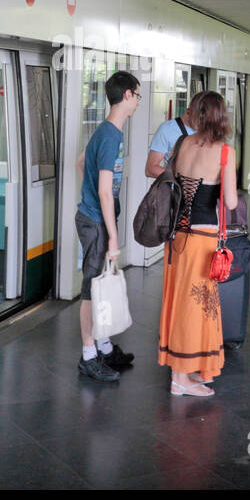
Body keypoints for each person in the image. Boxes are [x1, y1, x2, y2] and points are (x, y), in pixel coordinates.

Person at [159, 92, 237, 396]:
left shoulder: (182, 144)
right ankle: (180, 378)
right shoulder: (224, 152)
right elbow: (230, 201)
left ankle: (185, 368)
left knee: (179, 301)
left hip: (176, 236)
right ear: (221, 117)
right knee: (196, 307)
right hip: (203, 239)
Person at [74, 70, 142, 382]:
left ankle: (102, 346)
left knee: (101, 285)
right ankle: (88, 356)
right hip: (96, 223)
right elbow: (104, 191)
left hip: (95, 218)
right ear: (127, 95)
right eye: (137, 96)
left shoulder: (106, 131)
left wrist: (91, 191)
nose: (138, 101)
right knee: (92, 289)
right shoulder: (111, 135)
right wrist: (113, 237)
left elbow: (81, 163)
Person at [145, 91, 206, 178]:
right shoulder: (167, 129)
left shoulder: (208, 129)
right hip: (178, 185)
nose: (203, 124)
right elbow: (150, 169)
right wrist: (181, 178)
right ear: (189, 111)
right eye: (200, 119)